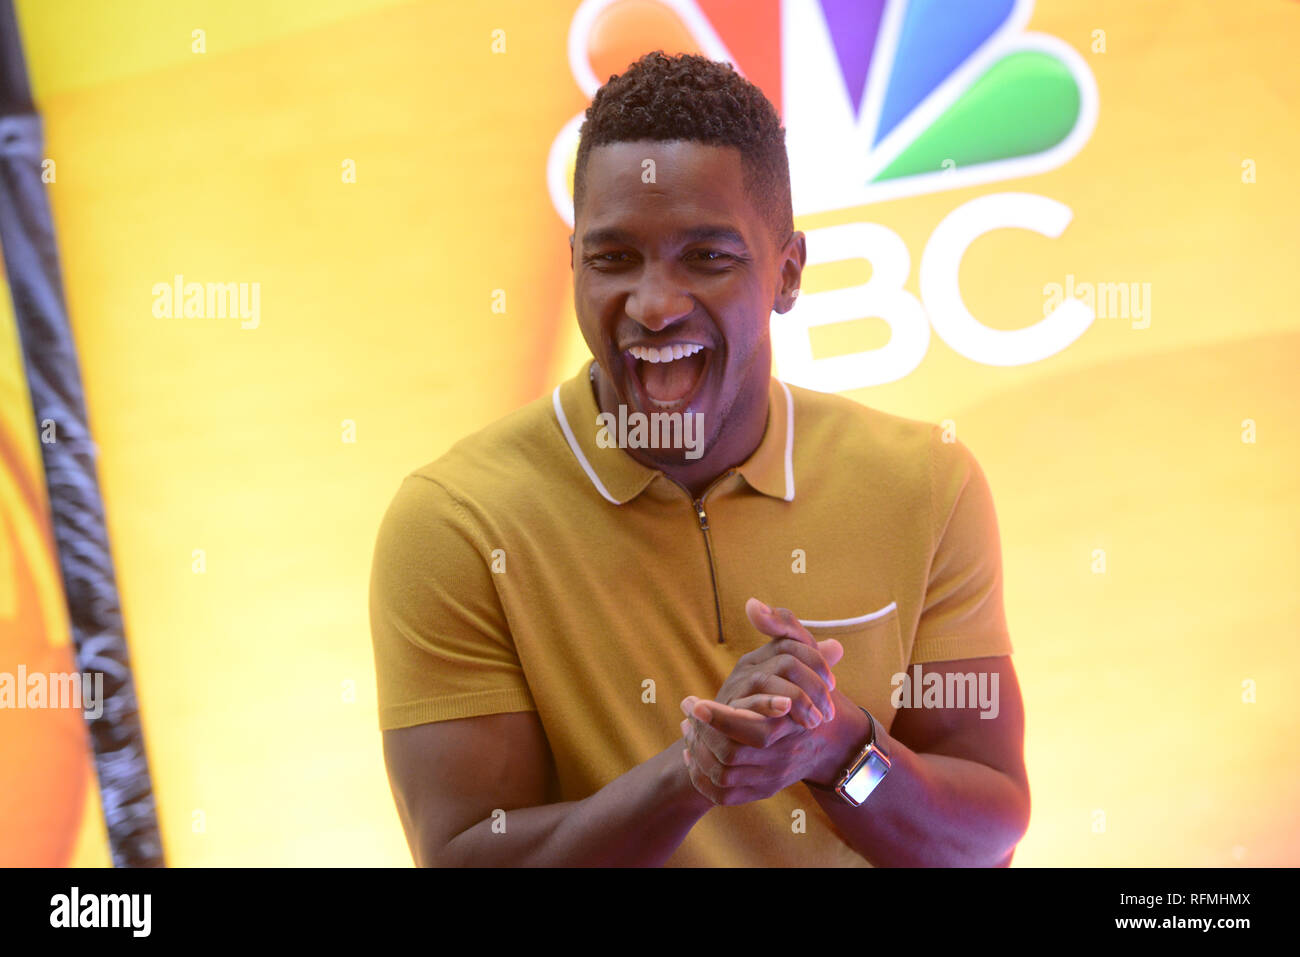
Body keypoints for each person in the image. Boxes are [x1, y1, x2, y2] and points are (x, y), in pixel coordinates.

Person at [369, 50, 1029, 866]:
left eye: (707, 257)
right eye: (614, 258)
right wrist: (692, 772)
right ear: (574, 263)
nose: (654, 304)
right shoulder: (455, 522)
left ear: (788, 273)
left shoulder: (925, 480)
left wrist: (838, 751)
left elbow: (984, 836)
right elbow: (470, 858)